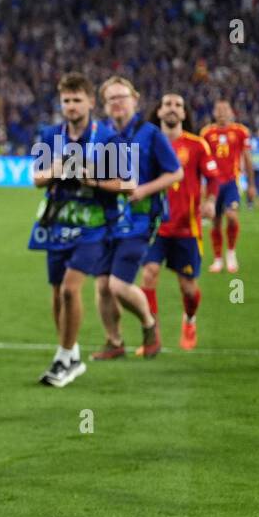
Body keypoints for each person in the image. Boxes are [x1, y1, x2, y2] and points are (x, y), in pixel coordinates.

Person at [87, 76, 181, 360]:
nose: (117, 102)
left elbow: (175, 172)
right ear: (104, 105)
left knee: (118, 285)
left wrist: (143, 190)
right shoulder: (99, 134)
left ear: (135, 99)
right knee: (102, 286)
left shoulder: (150, 133)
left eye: (122, 96)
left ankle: (149, 325)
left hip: (140, 220)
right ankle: (114, 342)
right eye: (111, 98)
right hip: (108, 220)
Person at [28, 72, 107, 387]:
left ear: (90, 101)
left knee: (71, 289)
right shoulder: (50, 135)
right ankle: (71, 353)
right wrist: (55, 171)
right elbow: (36, 178)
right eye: (66, 100)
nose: (72, 106)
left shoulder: (107, 136)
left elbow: (126, 182)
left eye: (77, 99)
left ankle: (62, 358)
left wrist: (91, 176)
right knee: (58, 293)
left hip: (92, 222)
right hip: (57, 220)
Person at [140, 93, 218, 351]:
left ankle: (190, 319)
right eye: (167, 105)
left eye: (178, 105)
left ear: (184, 114)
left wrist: (210, 201)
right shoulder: (148, 143)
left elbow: (214, 178)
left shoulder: (197, 145)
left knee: (188, 288)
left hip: (187, 227)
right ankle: (153, 337)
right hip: (155, 227)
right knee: (148, 275)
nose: (172, 109)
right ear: (159, 112)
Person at [199, 101, 251, 272]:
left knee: (231, 216)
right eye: (218, 110)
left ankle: (231, 253)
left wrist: (251, 184)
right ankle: (218, 259)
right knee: (215, 221)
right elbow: (201, 160)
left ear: (231, 112)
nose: (222, 113)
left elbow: (247, 158)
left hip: (231, 183)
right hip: (213, 184)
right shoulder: (207, 133)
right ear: (214, 112)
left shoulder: (240, 131)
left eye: (225, 109)